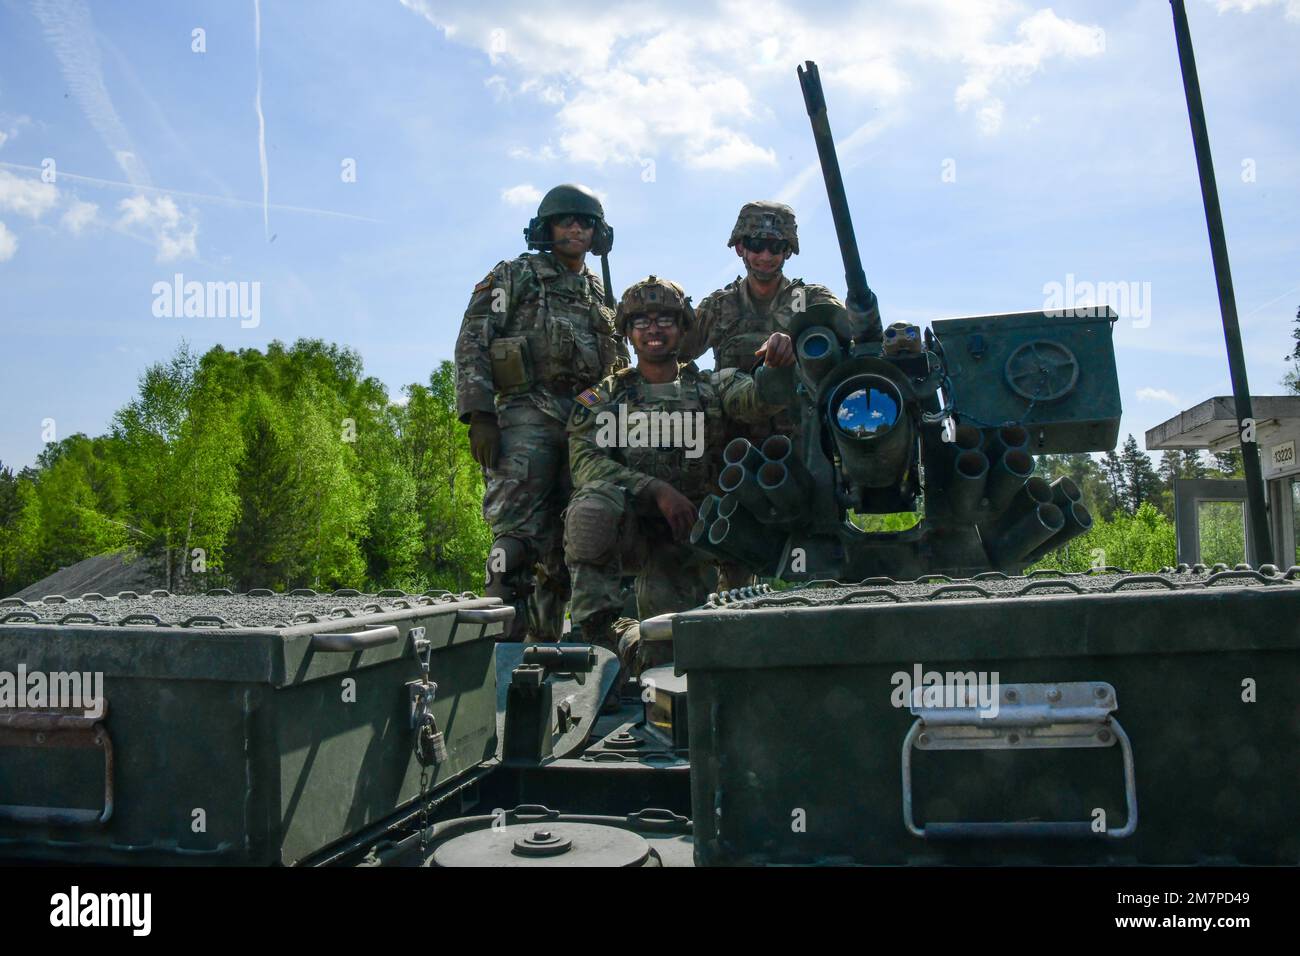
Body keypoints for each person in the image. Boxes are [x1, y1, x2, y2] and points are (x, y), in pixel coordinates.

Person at [564, 276, 791, 675]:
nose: (654, 329)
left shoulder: (711, 387)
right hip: (638, 532)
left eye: (666, 319)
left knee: (682, 654)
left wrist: (776, 367)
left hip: (701, 535)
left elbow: (759, 400)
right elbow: (585, 461)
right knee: (590, 509)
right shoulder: (604, 396)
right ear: (628, 334)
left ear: (683, 327)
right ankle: (601, 638)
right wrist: (654, 489)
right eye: (642, 321)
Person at [454, 183, 627, 642]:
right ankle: (501, 645)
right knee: (515, 537)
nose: (575, 228)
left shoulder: (599, 292)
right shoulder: (515, 275)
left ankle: (553, 649)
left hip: (586, 422)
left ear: (598, 233)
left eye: (585, 221)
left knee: (574, 536)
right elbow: (473, 339)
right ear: (545, 227)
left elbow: (620, 364)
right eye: (565, 220)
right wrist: (479, 414)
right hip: (526, 414)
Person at [679, 200, 844, 591]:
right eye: (756, 244)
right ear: (740, 246)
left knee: (818, 557)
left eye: (776, 246)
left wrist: (803, 339)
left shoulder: (811, 298)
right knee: (735, 559)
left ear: (789, 251)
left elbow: (846, 335)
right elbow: (674, 352)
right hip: (737, 451)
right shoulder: (719, 306)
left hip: (801, 447)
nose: (766, 255)